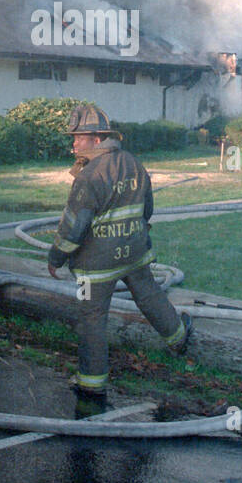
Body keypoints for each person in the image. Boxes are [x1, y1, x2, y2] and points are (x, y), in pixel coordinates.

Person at [47, 103, 193, 402]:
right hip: (134, 253)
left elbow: (74, 228)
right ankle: (178, 338)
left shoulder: (88, 178)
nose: (73, 143)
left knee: (91, 319)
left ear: (98, 139)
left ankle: (91, 383)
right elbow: (148, 209)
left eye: (78, 137)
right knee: (150, 294)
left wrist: (56, 258)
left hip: (95, 268)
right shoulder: (133, 162)